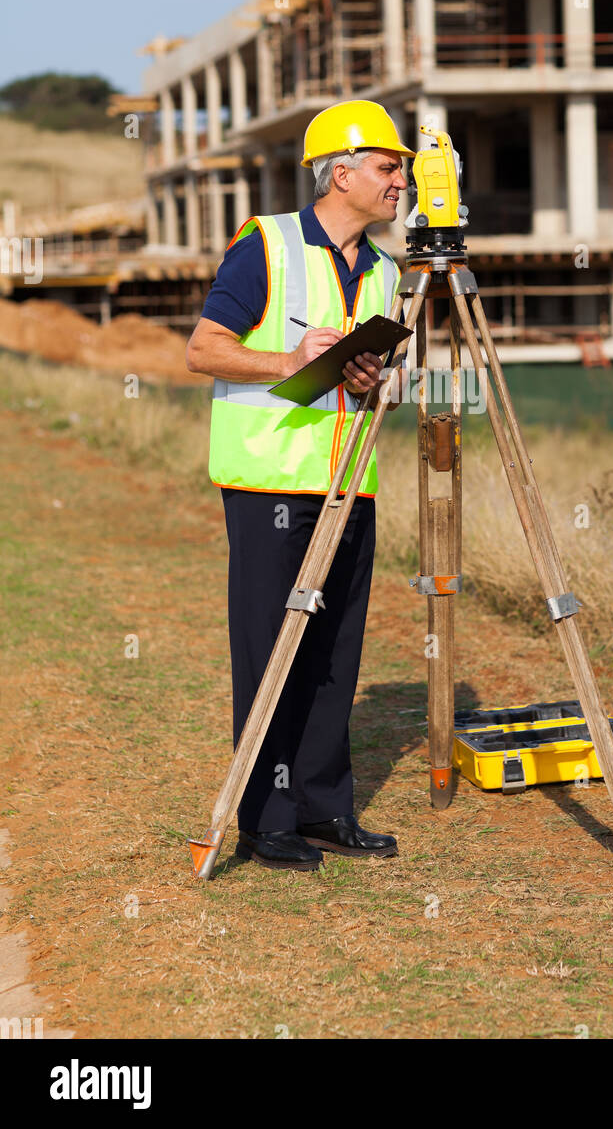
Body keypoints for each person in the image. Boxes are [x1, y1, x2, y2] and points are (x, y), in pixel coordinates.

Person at [186, 99, 414, 872]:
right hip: (268, 484)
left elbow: (377, 383)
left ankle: (323, 807)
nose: (400, 182)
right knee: (271, 650)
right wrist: (291, 362)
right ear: (340, 173)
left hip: (352, 484)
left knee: (332, 653)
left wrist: (372, 372)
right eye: (389, 167)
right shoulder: (269, 245)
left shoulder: (386, 272)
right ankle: (266, 817)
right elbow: (203, 349)